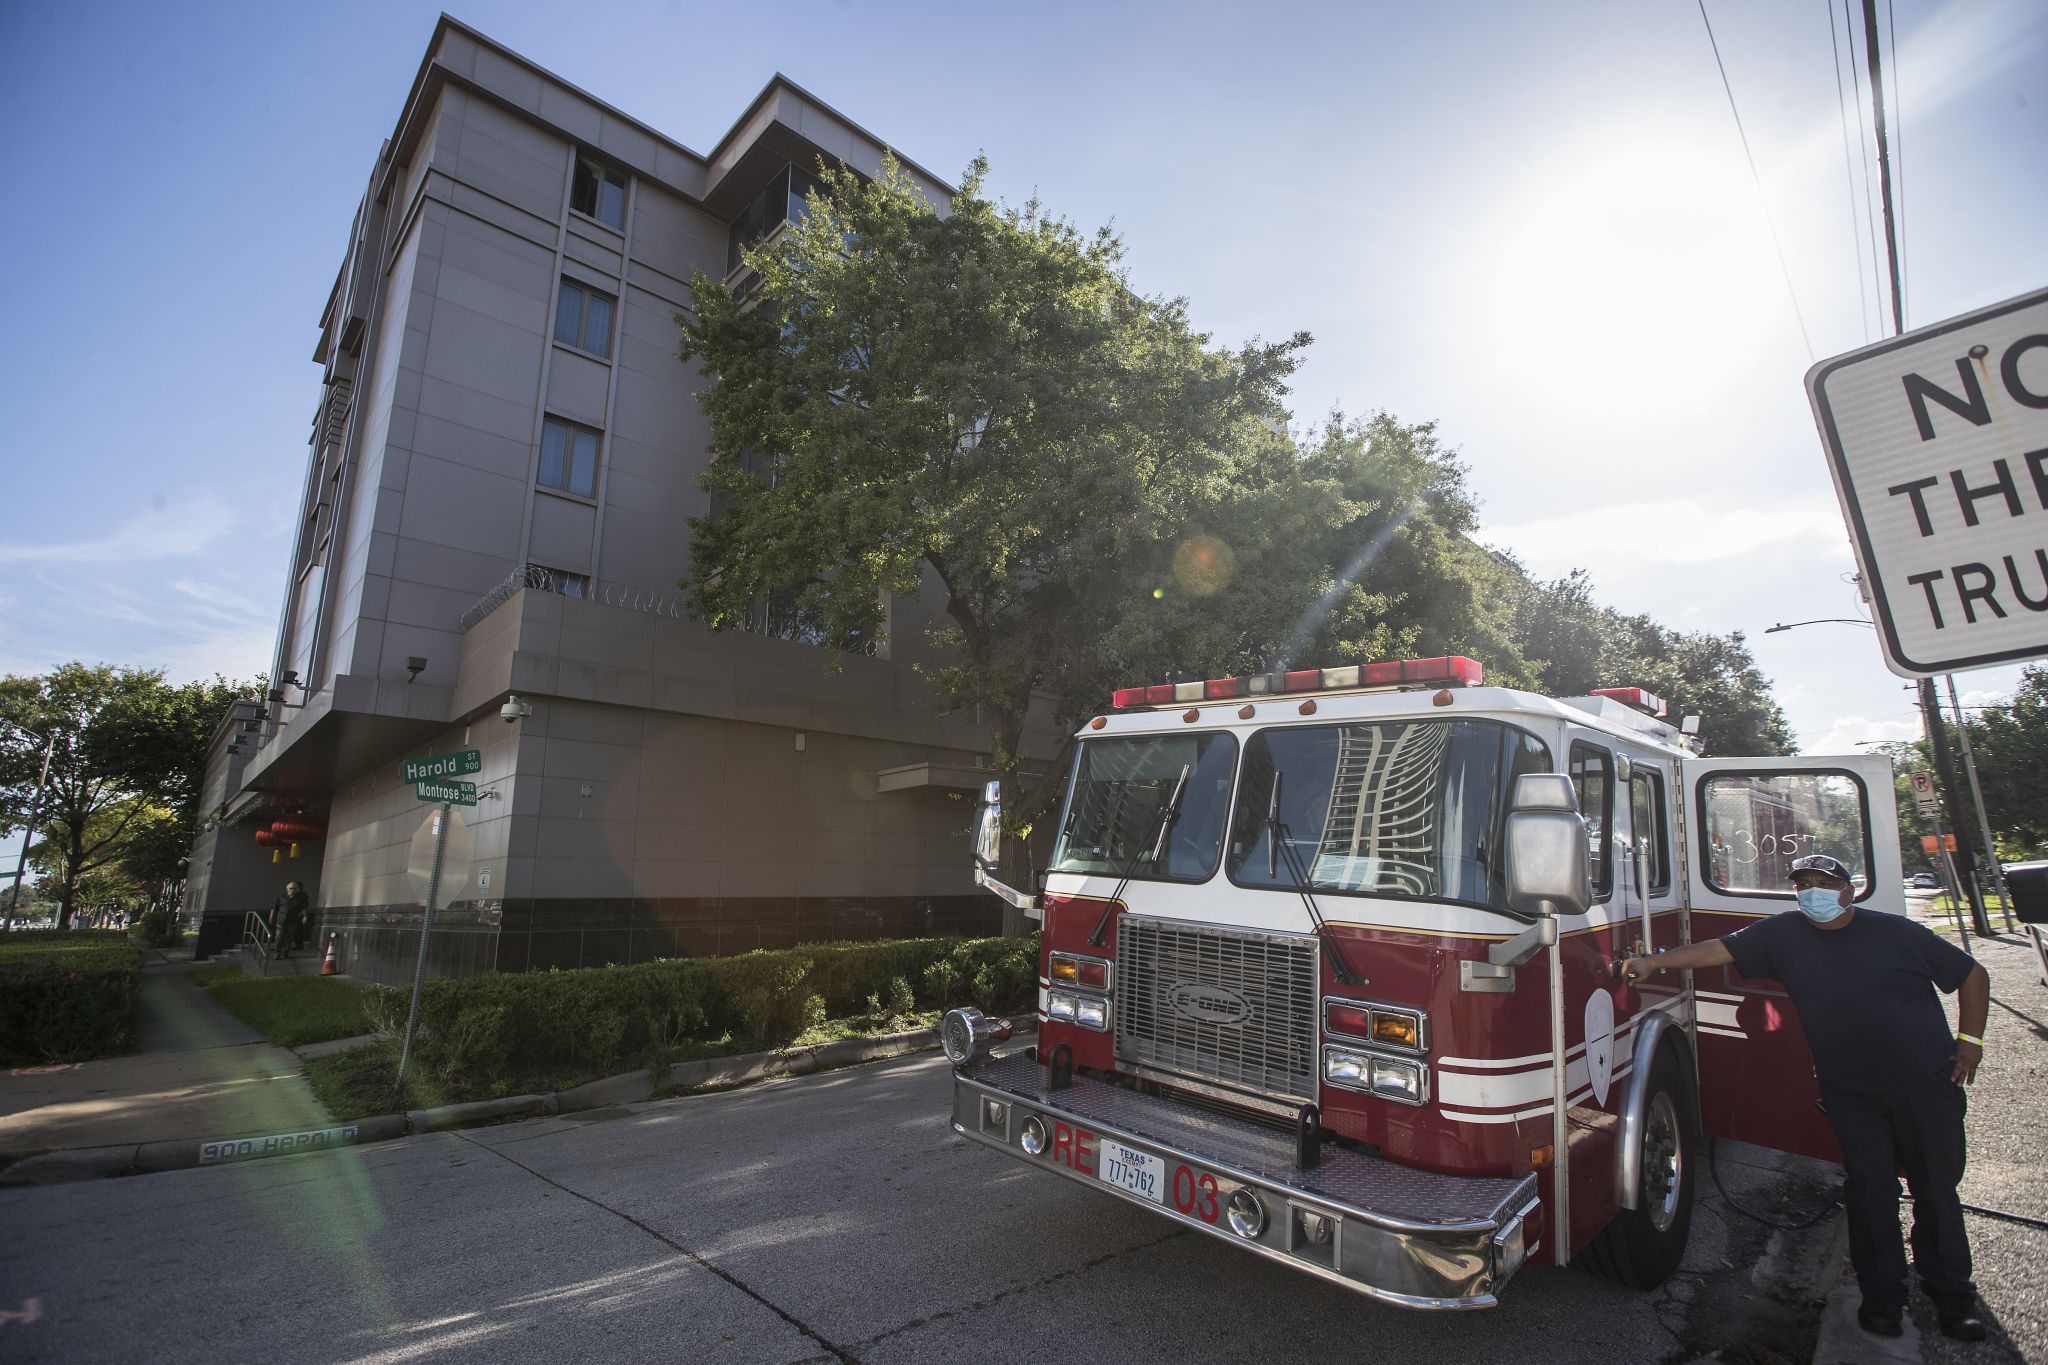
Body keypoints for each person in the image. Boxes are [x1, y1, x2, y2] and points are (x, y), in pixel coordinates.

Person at [1614, 853, 1990, 1343]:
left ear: (1849, 892)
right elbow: (1716, 951)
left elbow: (1972, 975)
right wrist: (1652, 962)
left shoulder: (1897, 933)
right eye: (1803, 884)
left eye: (1824, 883)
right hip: (1851, 1093)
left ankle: (1953, 1298)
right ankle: (1882, 1299)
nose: (1813, 892)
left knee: (1936, 1190)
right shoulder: (1783, 934)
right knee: (1871, 1191)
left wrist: (1970, 1042)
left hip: (1925, 1084)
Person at [274, 881, 310, 959]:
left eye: (294, 888)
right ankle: (277, 953)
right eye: (290, 888)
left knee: (289, 938)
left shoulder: (300, 898)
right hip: (281, 920)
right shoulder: (281, 896)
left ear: (297, 889)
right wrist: (271, 917)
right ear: (287, 889)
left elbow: (302, 908)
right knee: (279, 937)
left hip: (293, 921)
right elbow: (275, 907)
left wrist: (305, 916)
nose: (292, 890)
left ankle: (285, 952)